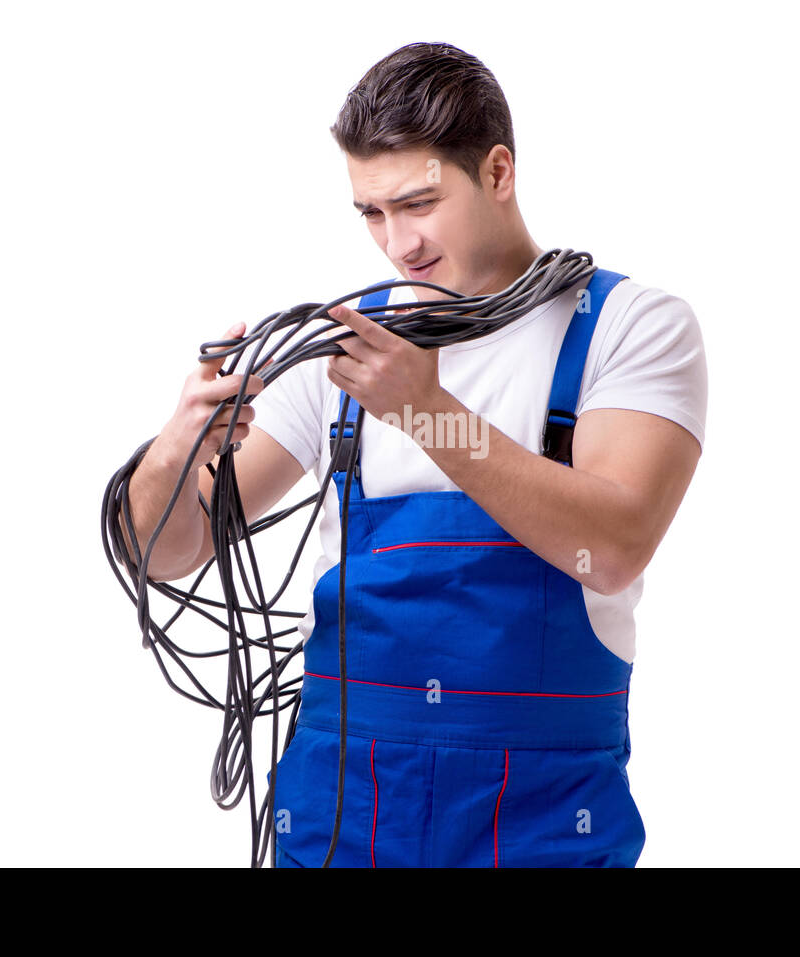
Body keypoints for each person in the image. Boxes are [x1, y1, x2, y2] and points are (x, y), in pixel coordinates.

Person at [122, 41, 707, 867]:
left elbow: (610, 548)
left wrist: (429, 414)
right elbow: (165, 550)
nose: (398, 243)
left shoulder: (628, 327)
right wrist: (177, 448)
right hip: (340, 807)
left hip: (542, 815)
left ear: (497, 171)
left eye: (419, 202)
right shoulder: (337, 347)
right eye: (370, 212)